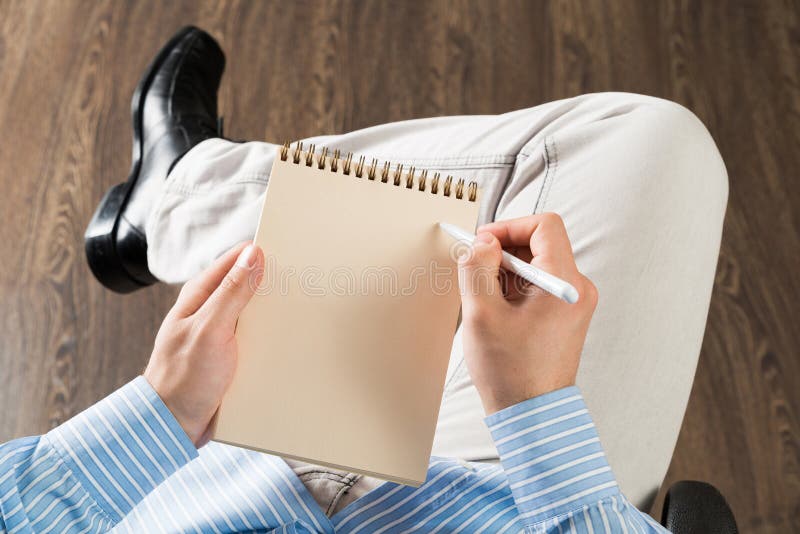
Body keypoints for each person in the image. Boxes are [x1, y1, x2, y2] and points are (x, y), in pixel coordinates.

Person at [0, 26, 727, 533]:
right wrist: (537, 413)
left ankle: (178, 199)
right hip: (503, 498)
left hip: (210, 486)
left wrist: (161, 414)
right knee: (656, 148)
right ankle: (182, 197)